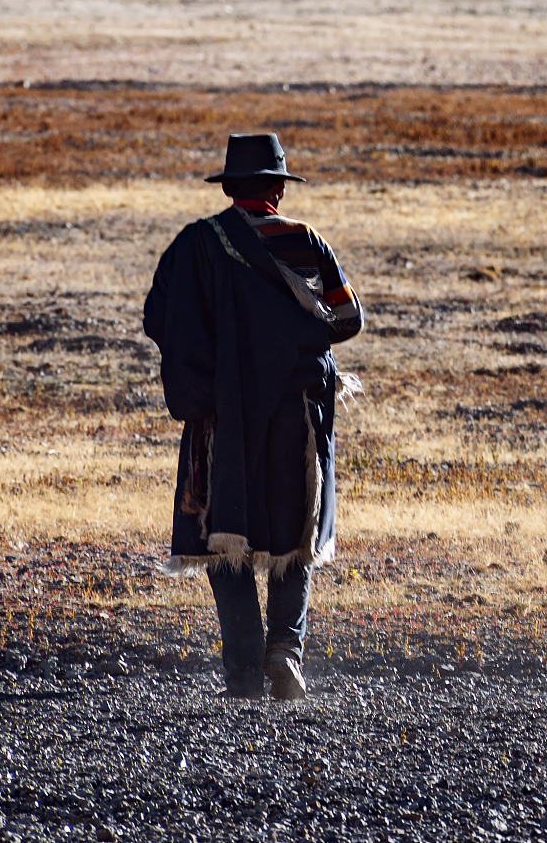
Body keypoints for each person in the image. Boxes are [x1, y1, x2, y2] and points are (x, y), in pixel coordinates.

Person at [143, 134, 363, 700]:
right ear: (278, 188)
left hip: (221, 420)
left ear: (231, 187)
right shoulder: (305, 243)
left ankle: (242, 671)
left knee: (225, 540)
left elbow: (157, 317)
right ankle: (285, 651)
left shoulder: (194, 245)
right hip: (296, 416)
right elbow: (346, 318)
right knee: (296, 538)